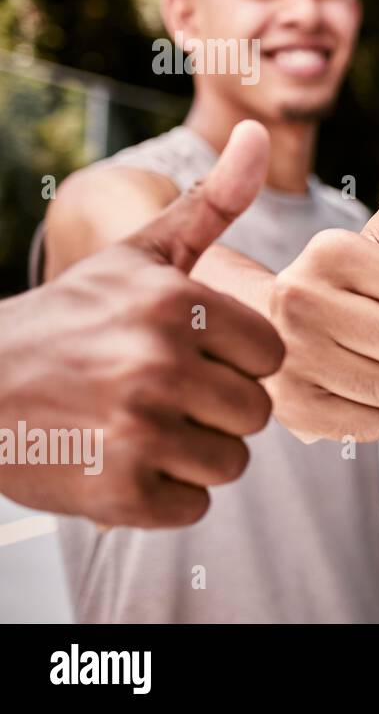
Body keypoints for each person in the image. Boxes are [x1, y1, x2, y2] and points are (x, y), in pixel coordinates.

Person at [36, 0, 379, 622]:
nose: (304, 10)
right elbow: (124, 243)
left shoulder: (354, 231)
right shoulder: (109, 195)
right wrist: (266, 310)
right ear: (186, 19)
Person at [0, 121, 280, 527]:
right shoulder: (108, 184)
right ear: (187, 50)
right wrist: (274, 304)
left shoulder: (349, 215)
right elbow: (101, 219)